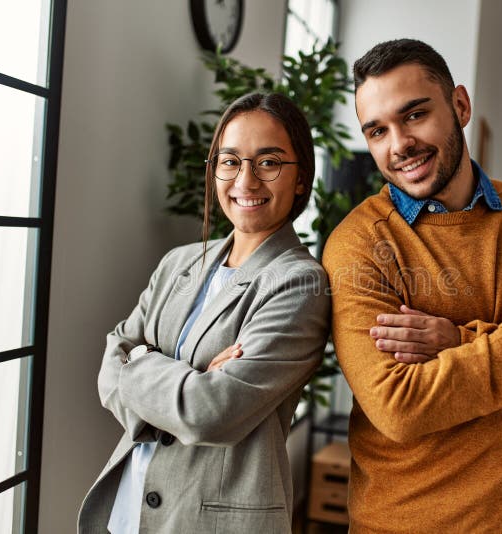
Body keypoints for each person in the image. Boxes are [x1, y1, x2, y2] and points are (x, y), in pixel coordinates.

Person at [322, 39, 502, 533]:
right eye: (378, 130)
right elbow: (401, 407)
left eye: (414, 115)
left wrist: (457, 341)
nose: (399, 145)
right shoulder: (358, 245)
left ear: (459, 105)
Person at [78, 92, 330, 534]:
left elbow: (210, 412)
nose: (245, 181)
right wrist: (185, 379)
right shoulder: (179, 262)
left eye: (268, 162)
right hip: (126, 508)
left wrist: (138, 361)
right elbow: (106, 371)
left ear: (301, 179)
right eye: (230, 161)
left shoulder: (299, 282)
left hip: (211, 521)